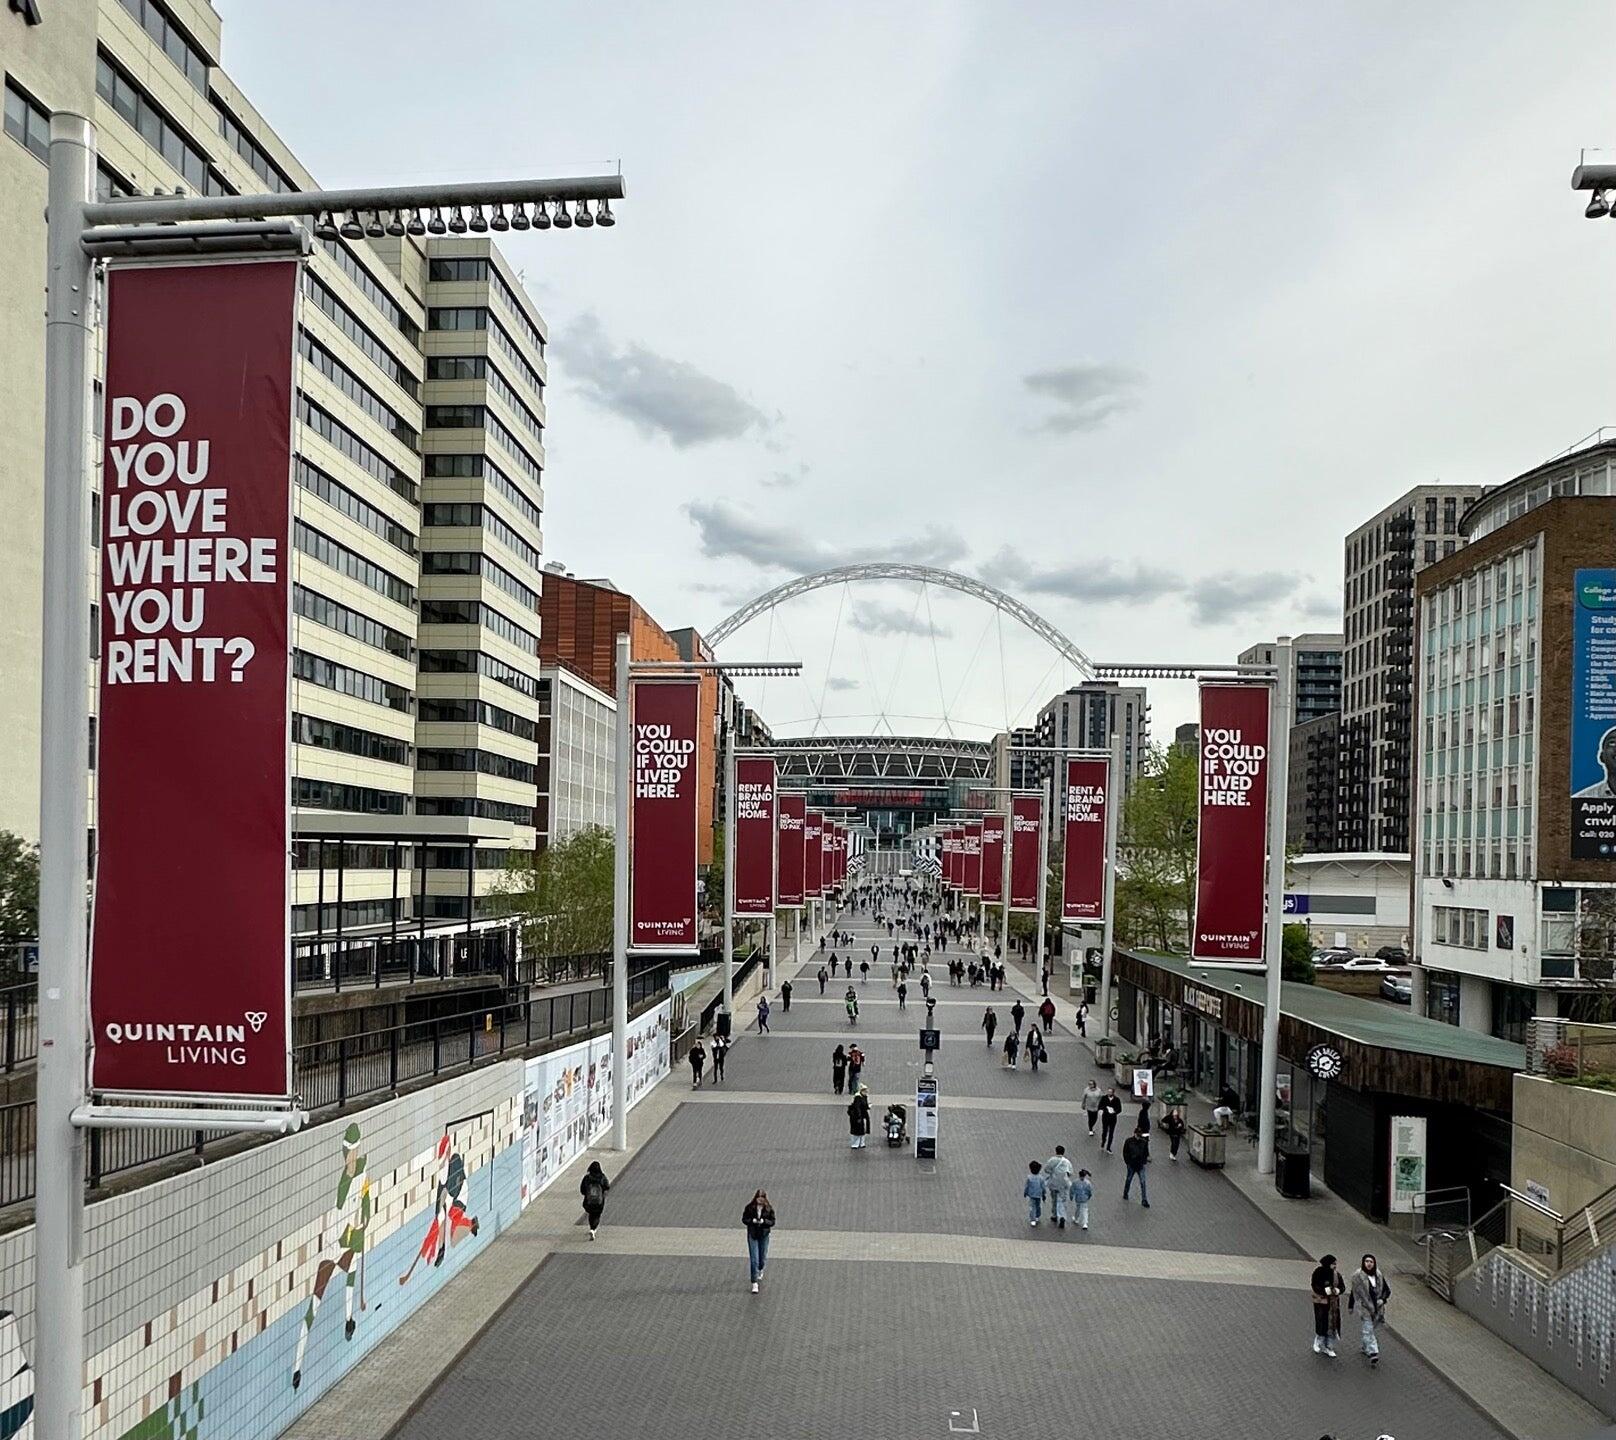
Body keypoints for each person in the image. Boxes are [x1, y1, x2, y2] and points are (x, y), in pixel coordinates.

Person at [1348, 1254, 1390, 1365]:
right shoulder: (1358, 1276)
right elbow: (1354, 1291)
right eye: (1366, 1261)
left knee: (1370, 1330)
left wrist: (1382, 1299)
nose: (1369, 1264)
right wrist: (1350, 1306)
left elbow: (1387, 1290)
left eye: (1371, 1261)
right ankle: (1373, 1352)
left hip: (1378, 1308)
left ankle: (1364, 1346)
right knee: (1368, 1330)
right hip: (1365, 1307)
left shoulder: (1378, 1275)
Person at [1311, 1253, 1344, 1357]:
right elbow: (1315, 1285)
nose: (1335, 1266)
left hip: (1333, 1304)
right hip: (1322, 1303)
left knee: (1332, 1324)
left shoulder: (1336, 1275)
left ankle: (1329, 1347)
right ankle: (1319, 1341)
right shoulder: (1318, 1272)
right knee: (1322, 1322)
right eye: (1333, 1263)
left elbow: (1342, 1287)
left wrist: (1338, 1290)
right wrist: (1324, 1291)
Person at [743, 1189, 775, 1293]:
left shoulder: (769, 1209)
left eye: (762, 1199)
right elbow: (744, 1219)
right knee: (754, 1260)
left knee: (762, 1258)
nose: (760, 1201)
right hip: (753, 1234)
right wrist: (752, 1221)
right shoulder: (749, 1208)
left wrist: (764, 1221)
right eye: (758, 1199)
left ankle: (760, 1269)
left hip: (764, 1235)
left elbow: (772, 1221)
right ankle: (754, 1282)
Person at [1044, 1145, 1074, 1230]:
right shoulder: (1067, 1162)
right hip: (1063, 1184)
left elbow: (1046, 1170)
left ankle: (1054, 1215)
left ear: (1056, 1151)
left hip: (1053, 1182)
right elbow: (1070, 1172)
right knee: (1062, 1200)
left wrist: (1053, 1173)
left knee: (1054, 1198)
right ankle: (1062, 1216)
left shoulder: (1052, 1160)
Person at [1121, 1127, 1151, 1207]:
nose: (1138, 1136)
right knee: (1128, 1180)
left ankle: (1144, 1200)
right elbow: (1125, 1152)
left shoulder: (1143, 1142)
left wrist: (1143, 1161)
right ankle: (1125, 1193)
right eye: (1137, 1135)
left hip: (1140, 1165)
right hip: (1131, 1165)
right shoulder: (1129, 1141)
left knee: (1143, 1182)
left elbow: (1146, 1153)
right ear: (1134, 1134)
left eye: (1139, 1135)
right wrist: (1128, 1162)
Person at [580, 1160, 610, 1238]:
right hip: (599, 1200)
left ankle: (591, 1228)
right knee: (597, 1215)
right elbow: (607, 1186)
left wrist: (586, 1194)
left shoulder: (587, 1178)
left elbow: (582, 1189)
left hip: (589, 1201)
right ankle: (593, 1229)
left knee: (591, 1214)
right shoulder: (602, 1177)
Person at [847, 1085, 872, 1150]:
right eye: (865, 1091)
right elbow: (857, 1108)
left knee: (861, 1129)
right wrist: (859, 1117)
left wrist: (868, 1106)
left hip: (861, 1115)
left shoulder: (864, 1096)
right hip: (856, 1116)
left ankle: (861, 1143)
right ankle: (855, 1144)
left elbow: (864, 1105)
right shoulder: (858, 1098)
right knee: (857, 1130)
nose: (866, 1092)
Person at [1099, 1086, 1122, 1151]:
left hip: (1113, 1118)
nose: (1109, 1093)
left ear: (1113, 1093)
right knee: (1104, 1131)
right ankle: (1103, 1142)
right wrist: (1102, 1110)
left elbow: (1119, 1109)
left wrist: (1114, 1111)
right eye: (1108, 1092)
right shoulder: (1104, 1098)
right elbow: (1100, 1105)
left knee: (1111, 1133)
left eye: (1110, 1092)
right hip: (1105, 1117)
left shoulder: (1117, 1100)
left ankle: (1108, 1147)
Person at [1023, 1160, 1045, 1227]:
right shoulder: (1041, 1178)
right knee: (1038, 1205)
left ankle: (1033, 1219)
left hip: (1031, 1194)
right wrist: (1044, 1194)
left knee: (1032, 1207)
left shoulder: (1029, 1177)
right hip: (1039, 1194)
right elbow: (1043, 1187)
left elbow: (1027, 1186)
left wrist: (1025, 1192)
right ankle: (1037, 1216)